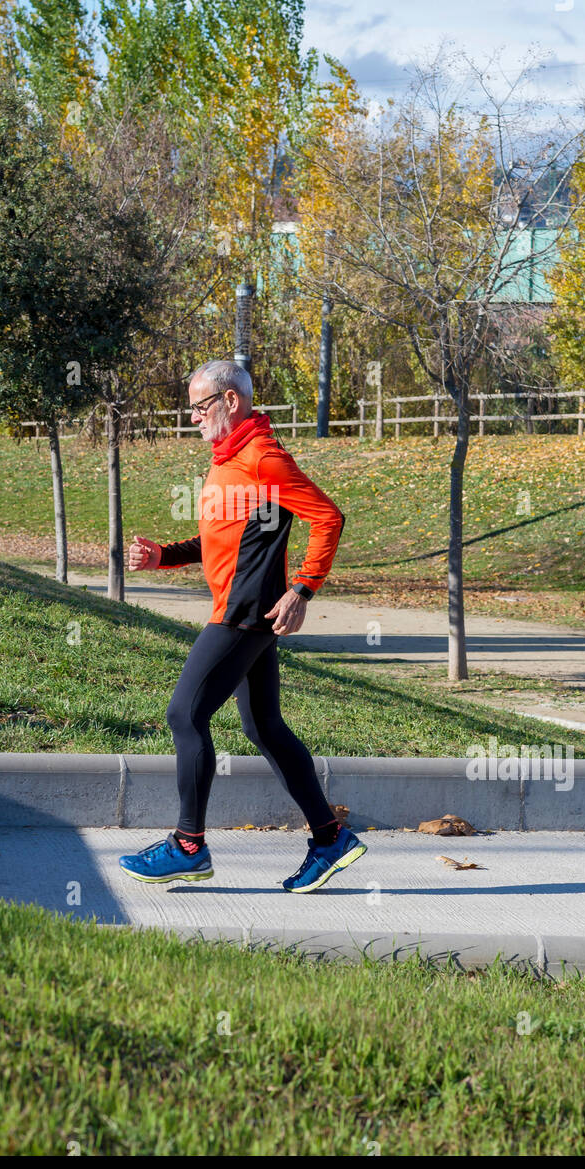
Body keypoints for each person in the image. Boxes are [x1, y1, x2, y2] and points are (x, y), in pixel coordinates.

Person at [118, 359, 367, 893]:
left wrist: (303, 587)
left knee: (184, 714)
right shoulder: (227, 461)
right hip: (243, 610)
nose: (193, 419)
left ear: (231, 401)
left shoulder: (264, 458)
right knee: (264, 728)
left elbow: (328, 517)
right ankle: (330, 838)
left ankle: (188, 846)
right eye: (190, 409)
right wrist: (164, 555)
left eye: (200, 407)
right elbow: (221, 538)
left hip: (244, 613)